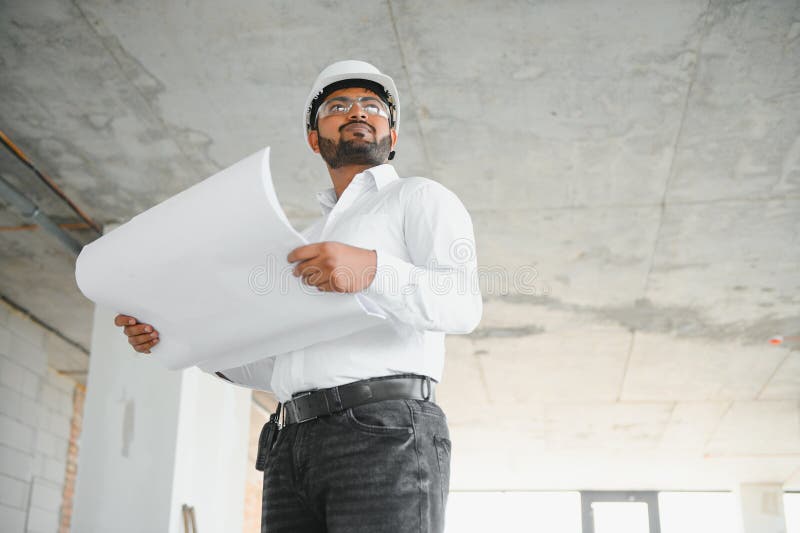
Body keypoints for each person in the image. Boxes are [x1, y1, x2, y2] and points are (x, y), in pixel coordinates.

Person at [114, 60, 482, 533]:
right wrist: (180, 338)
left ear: (393, 135)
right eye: (338, 105)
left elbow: (463, 304)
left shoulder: (419, 198)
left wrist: (372, 269)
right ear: (314, 138)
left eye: (373, 105)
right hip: (290, 440)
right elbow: (281, 365)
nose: (358, 111)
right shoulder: (298, 240)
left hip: (383, 431)